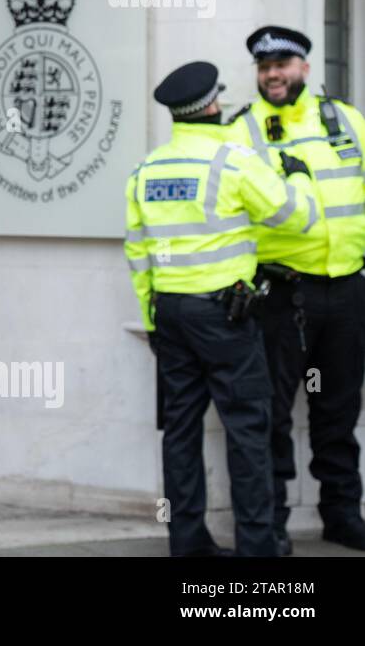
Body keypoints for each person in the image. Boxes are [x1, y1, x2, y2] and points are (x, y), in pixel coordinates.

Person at [125, 61, 316, 556]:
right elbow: (293, 219)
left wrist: (151, 320)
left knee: (180, 432)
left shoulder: (148, 169)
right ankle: (257, 549)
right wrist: (298, 180)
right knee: (247, 429)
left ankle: (187, 544)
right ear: (212, 106)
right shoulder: (234, 161)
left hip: (169, 314)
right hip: (224, 319)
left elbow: (138, 254)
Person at [226, 25, 365, 553]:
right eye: (264, 68)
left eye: (282, 65)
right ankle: (271, 524)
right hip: (281, 295)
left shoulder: (347, 121)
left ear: (305, 68)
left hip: (347, 289)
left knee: (339, 409)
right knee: (271, 415)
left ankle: (342, 515)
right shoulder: (242, 131)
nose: (272, 75)